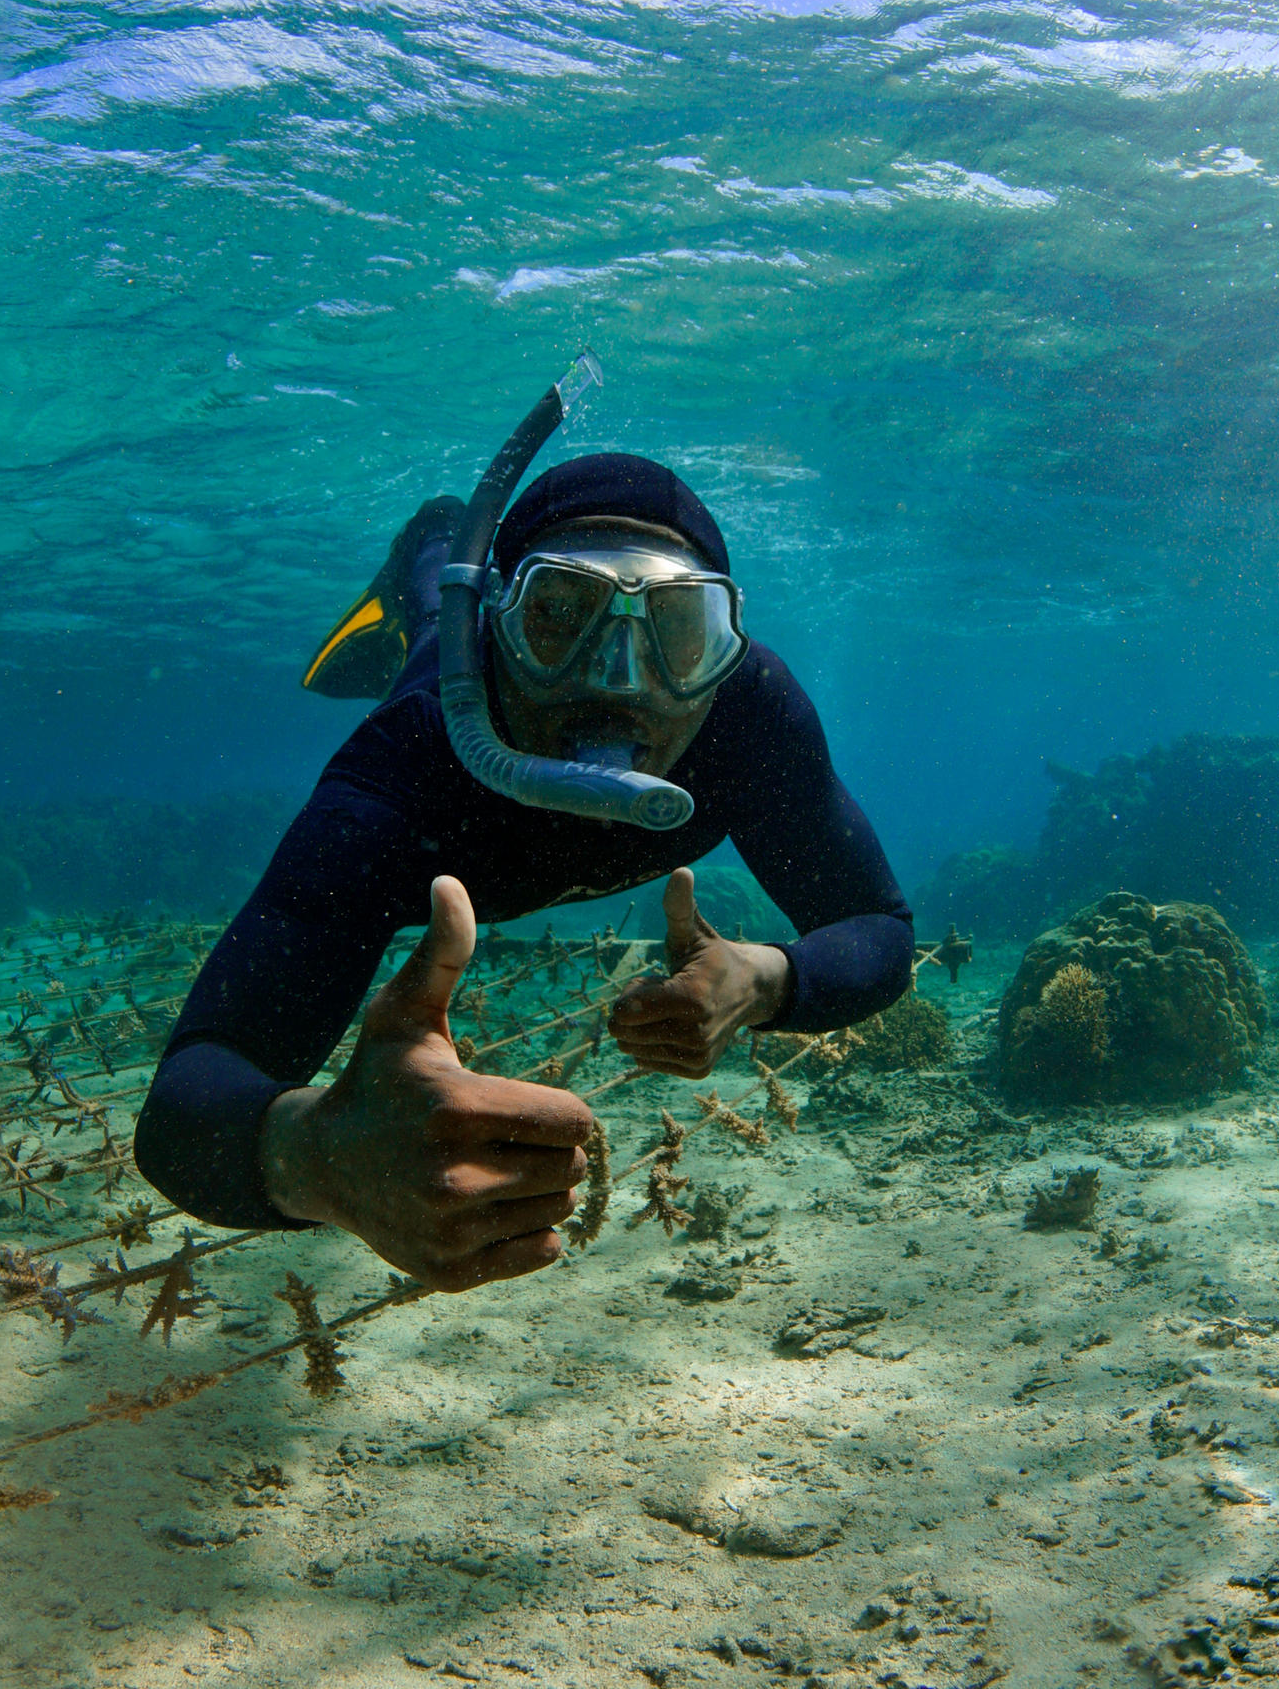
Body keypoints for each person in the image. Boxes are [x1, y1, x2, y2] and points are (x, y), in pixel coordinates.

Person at [139, 378, 912, 1292]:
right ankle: (435, 546)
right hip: (445, 633)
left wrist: (765, 978)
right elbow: (182, 1109)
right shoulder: (406, 764)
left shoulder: (752, 716)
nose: (619, 682)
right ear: (501, 630)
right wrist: (318, 1153)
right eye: (558, 616)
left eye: (678, 631)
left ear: (724, 649)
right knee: (435, 608)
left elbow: (881, 930)